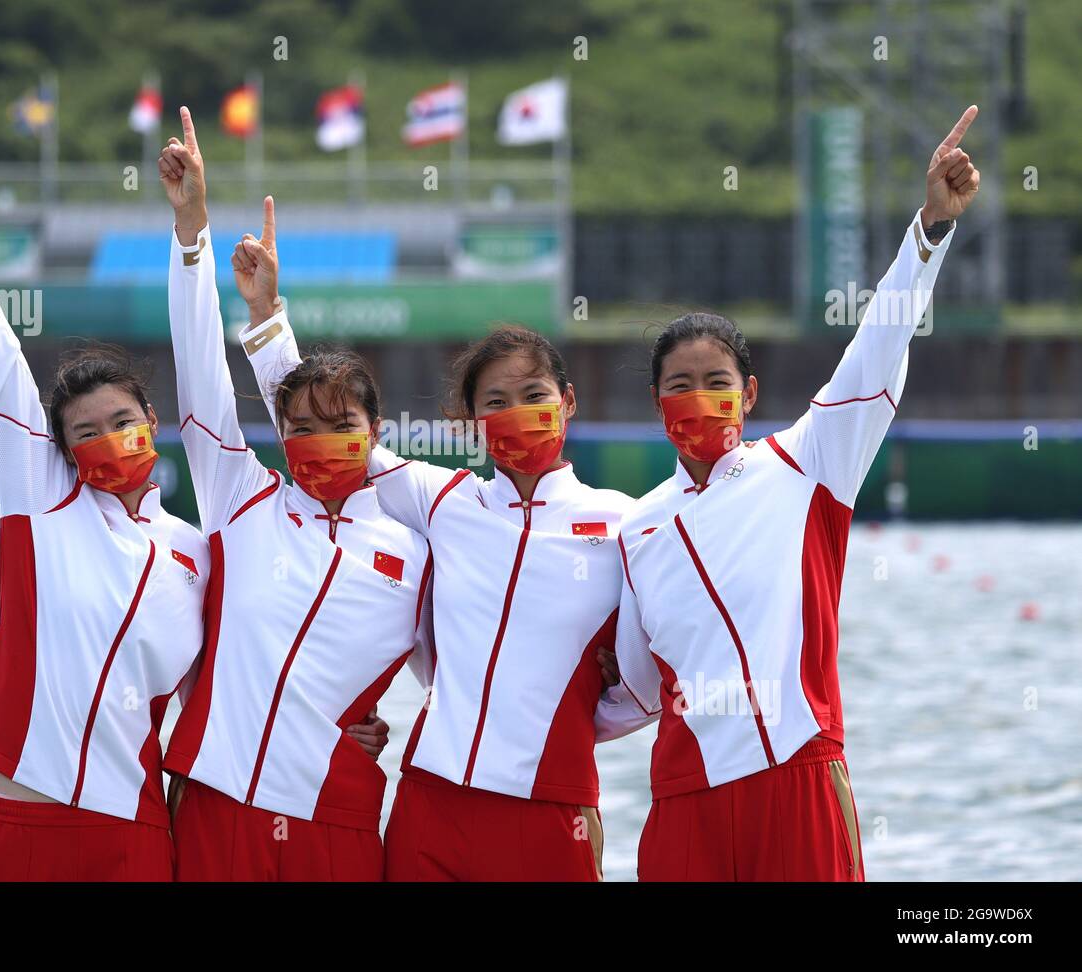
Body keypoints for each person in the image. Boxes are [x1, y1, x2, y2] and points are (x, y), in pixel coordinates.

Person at [612, 106, 982, 881]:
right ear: (657, 405)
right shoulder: (634, 529)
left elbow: (878, 344)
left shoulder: (810, 461)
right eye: (679, 386)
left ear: (747, 393)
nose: (699, 398)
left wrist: (930, 233)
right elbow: (633, 693)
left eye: (717, 383)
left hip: (800, 775)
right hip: (684, 803)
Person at [0, 108, 207, 881]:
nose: (108, 440)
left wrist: (348, 722)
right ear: (58, 453)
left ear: (153, 421)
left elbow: (246, 679)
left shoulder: (199, 550)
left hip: (138, 834)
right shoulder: (44, 506)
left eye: (122, 421)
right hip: (22, 826)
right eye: (84, 432)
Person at [243, 262, 648, 883]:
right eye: (495, 401)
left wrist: (598, 707)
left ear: (568, 401)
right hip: (431, 799)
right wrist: (268, 316)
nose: (516, 412)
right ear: (469, 419)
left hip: (552, 810)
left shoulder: (624, 523)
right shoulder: (444, 499)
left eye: (534, 396)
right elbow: (321, 426)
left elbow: (664, 662)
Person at [156, 109, 432, 881]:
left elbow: (474, 662)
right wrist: (192, 231)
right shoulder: (238, 494)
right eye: (300, 428)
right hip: (218, 806)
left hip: (338, 820)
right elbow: (200, 374)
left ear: (376, 428)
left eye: (341, 425)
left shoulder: (414, 549)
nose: (319, 441)